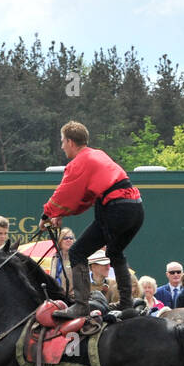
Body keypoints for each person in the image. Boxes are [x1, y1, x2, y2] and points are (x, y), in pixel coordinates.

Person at [41, 120, 145, 320]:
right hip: (136, 207)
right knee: (115, 252)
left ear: (71, 142)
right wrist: (60, 214)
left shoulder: (78, 162)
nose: (62, 147)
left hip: (116, 208)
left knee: (77, 252)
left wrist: (47, 215)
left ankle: (80, 305)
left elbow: (63, 193)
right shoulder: (98, 155)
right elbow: (84, 199)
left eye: (62, 142)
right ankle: (126, 304)